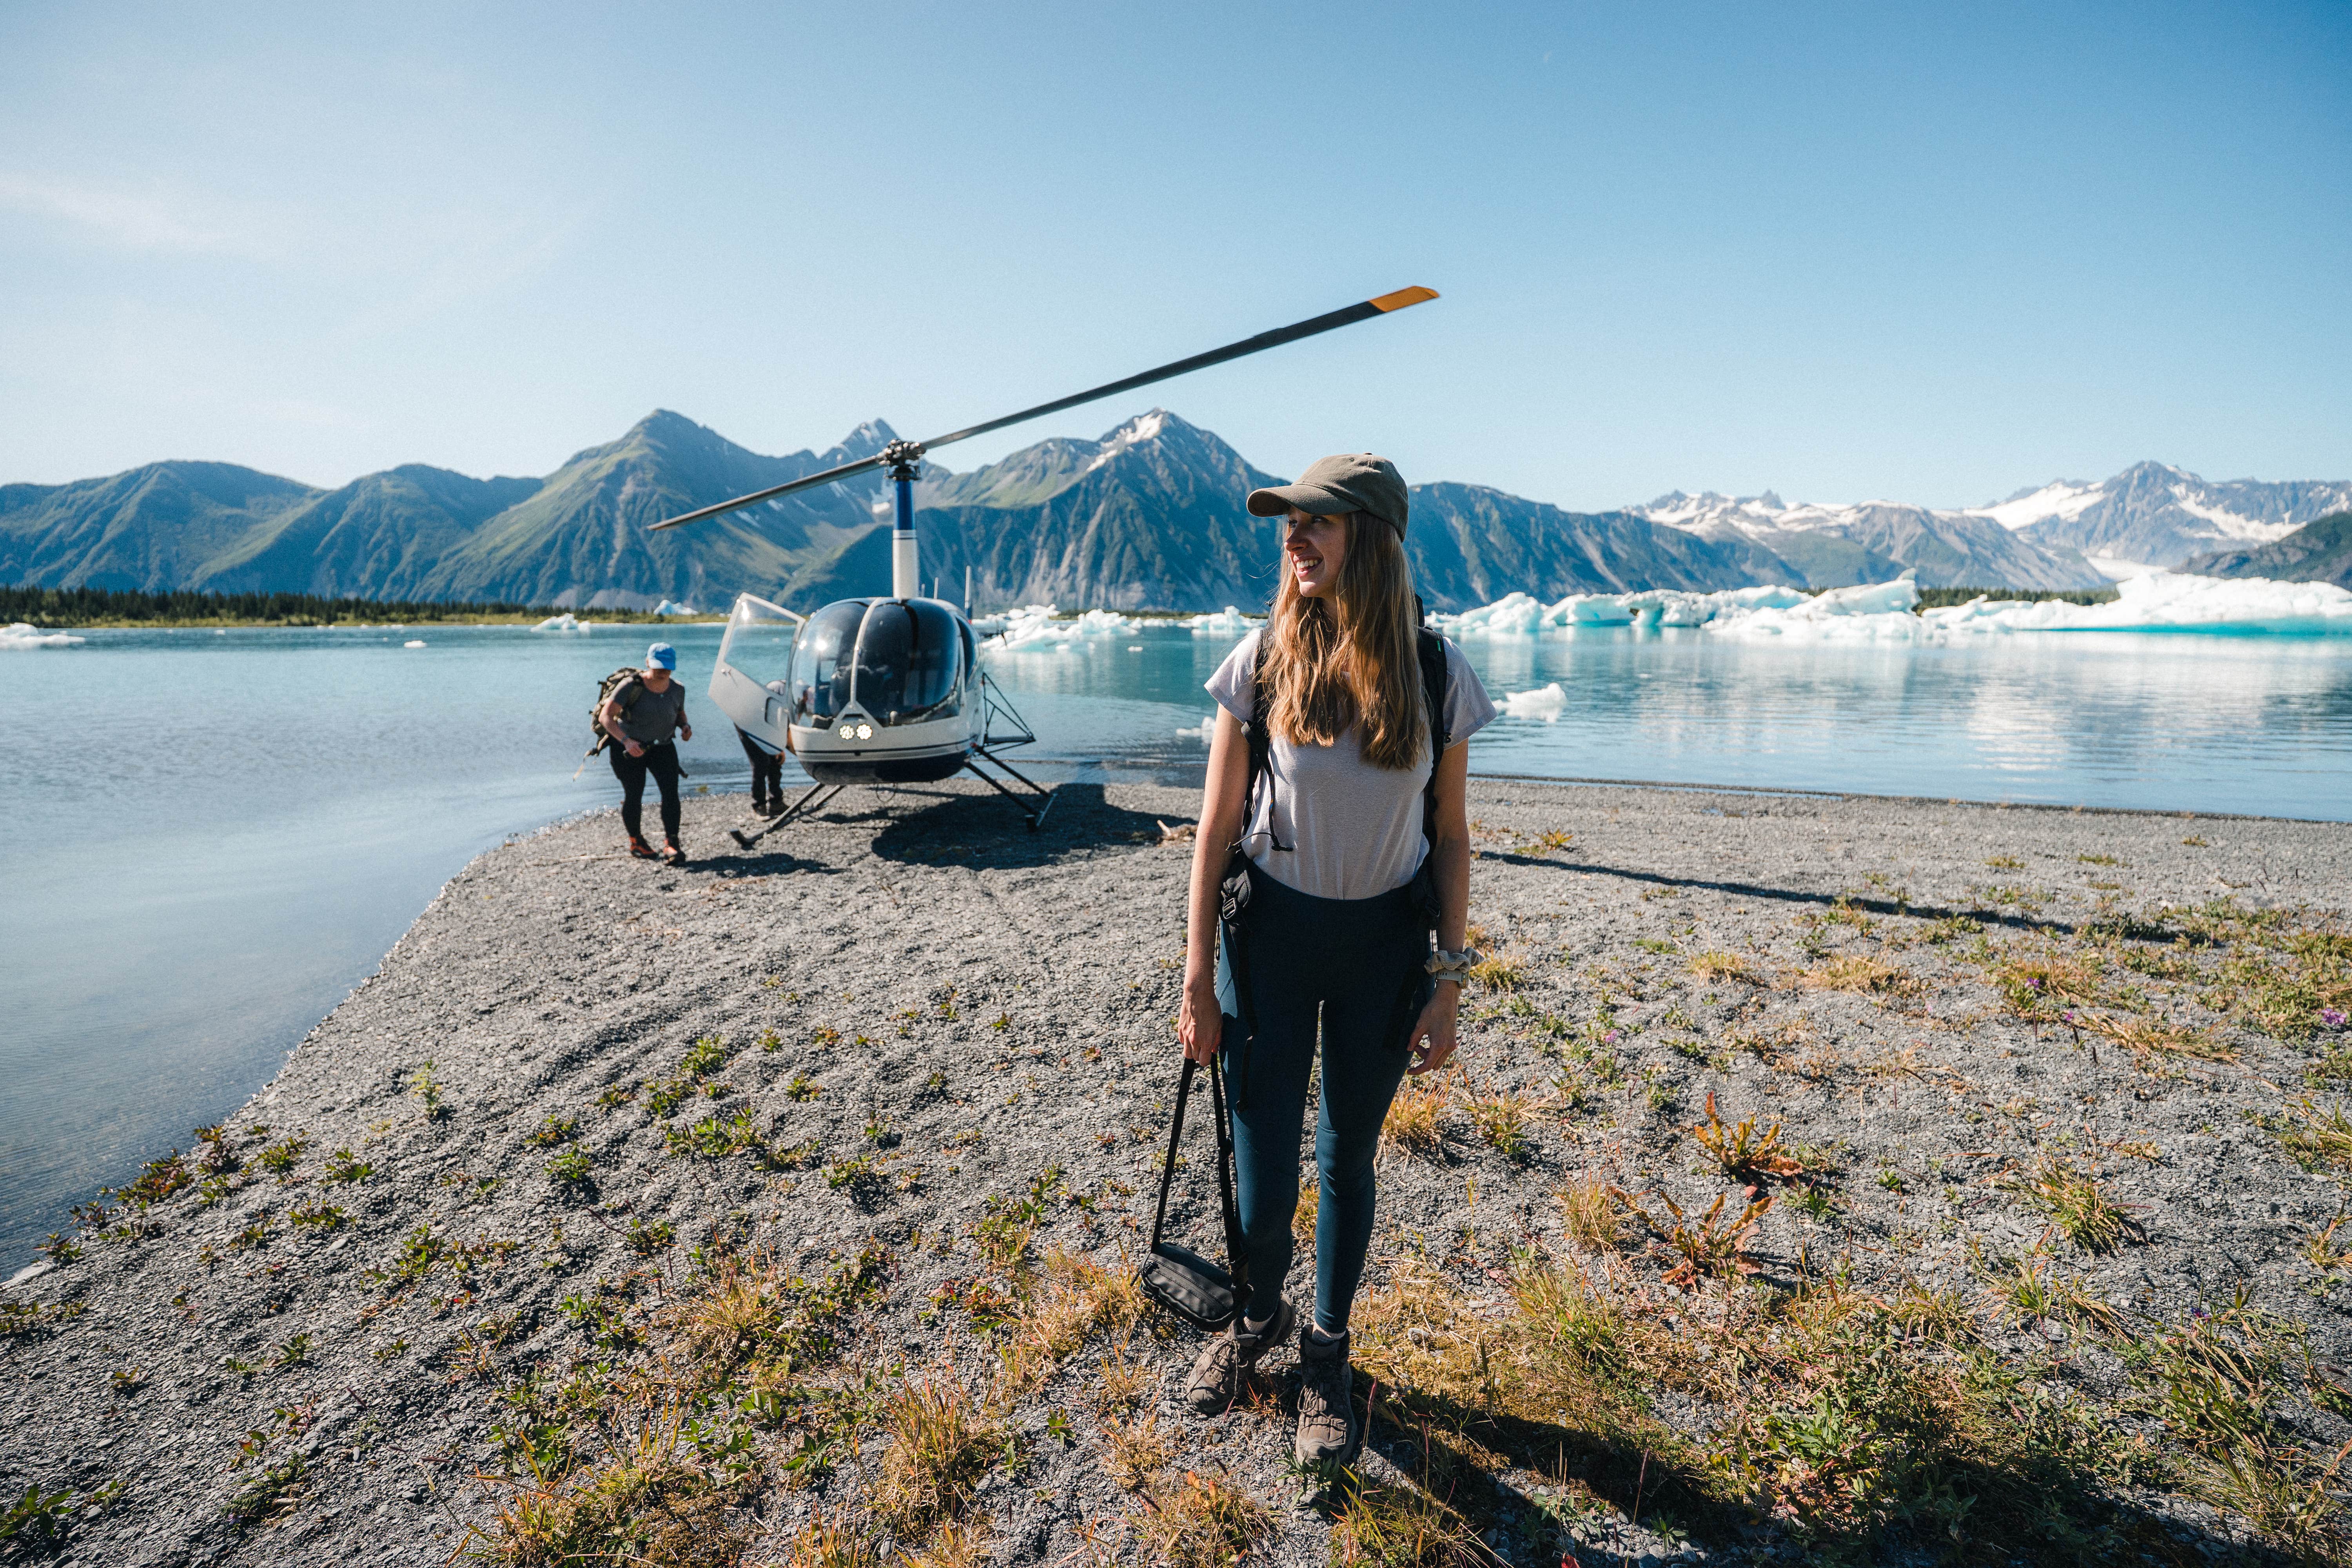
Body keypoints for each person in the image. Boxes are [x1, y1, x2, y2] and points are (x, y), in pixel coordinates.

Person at [1176, 452, 1496, 1466]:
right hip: (1267, 941)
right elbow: (1216, 823)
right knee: (1266, 1182)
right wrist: (1194, 970)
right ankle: (1256, 1315)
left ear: (1376, 536)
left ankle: (1325, 1352)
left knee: (1346, 1159)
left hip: (1381, 954)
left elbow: (1450, 837)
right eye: (1288, 524)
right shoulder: (1262, 659)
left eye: (1318, 520)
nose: (1295, 539)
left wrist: (1448, 984)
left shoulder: (1437, 672)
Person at [599, 642, 693, 863]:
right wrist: (626, 741)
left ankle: (672, 843)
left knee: (671, 794)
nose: (664, 671)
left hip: (663, 747)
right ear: (648, 662)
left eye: (668, 667)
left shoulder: (678, 688)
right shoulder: (631, 686)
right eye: (659, 666)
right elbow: (606, 717)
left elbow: (679, 712)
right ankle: (637, 842)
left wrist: (685, 727)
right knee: (634, 795)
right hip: (628, 749)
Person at [737, 726, 785, 816]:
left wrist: (779, 747)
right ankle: (759, 806)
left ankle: (776, 803)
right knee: (760, 762)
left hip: (767, 724)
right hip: (747, 723)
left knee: (775, 760)